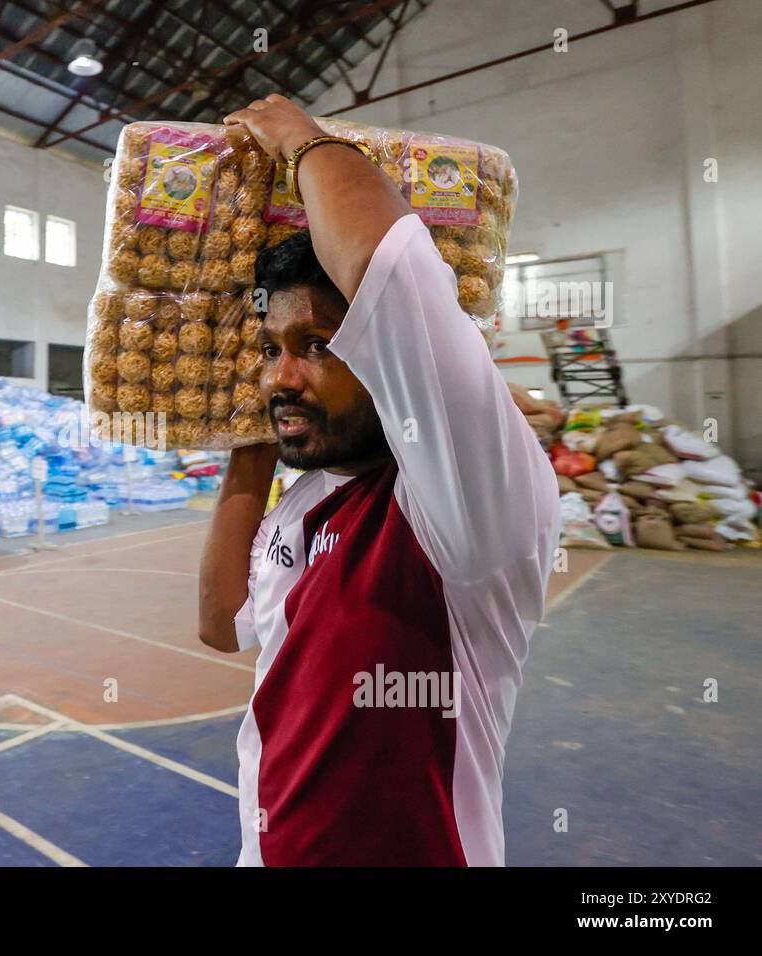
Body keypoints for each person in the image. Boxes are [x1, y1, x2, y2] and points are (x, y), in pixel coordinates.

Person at [198, 95, 561, 866]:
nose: (284, 374)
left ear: (382, 352)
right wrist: (253, 434)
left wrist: (300, 140)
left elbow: (390, 275)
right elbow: (222, 621)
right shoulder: (306, 501)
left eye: (319, 346)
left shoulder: (463, 498)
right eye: (271, 347)